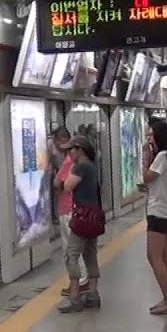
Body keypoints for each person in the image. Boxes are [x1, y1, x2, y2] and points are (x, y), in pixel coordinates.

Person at [59, 135, 103, 313]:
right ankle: (93, 294)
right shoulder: (92, 167)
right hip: (93, 216)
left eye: (71, 149)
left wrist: (67, 168)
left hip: (82, 217)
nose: (69, 153)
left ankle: (75, 296)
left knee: (71, 255)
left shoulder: (81, 166)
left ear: (80, 150)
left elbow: (67, 186)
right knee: (90, 255)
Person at [143, 120, 167, 314]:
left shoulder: (161, 157)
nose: (148, 139)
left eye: (151, 135)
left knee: (153, 256)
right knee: (165, 256)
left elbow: (146, 177)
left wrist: (145, 158)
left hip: (158, 211)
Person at [51, 127, 85, 297]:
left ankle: (77, 284)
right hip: (76, 208)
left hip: (68, 208)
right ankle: (81, 281)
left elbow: (58, 183)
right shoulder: (81, 161)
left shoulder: (68, 161)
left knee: (70, 249)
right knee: (78, 247)